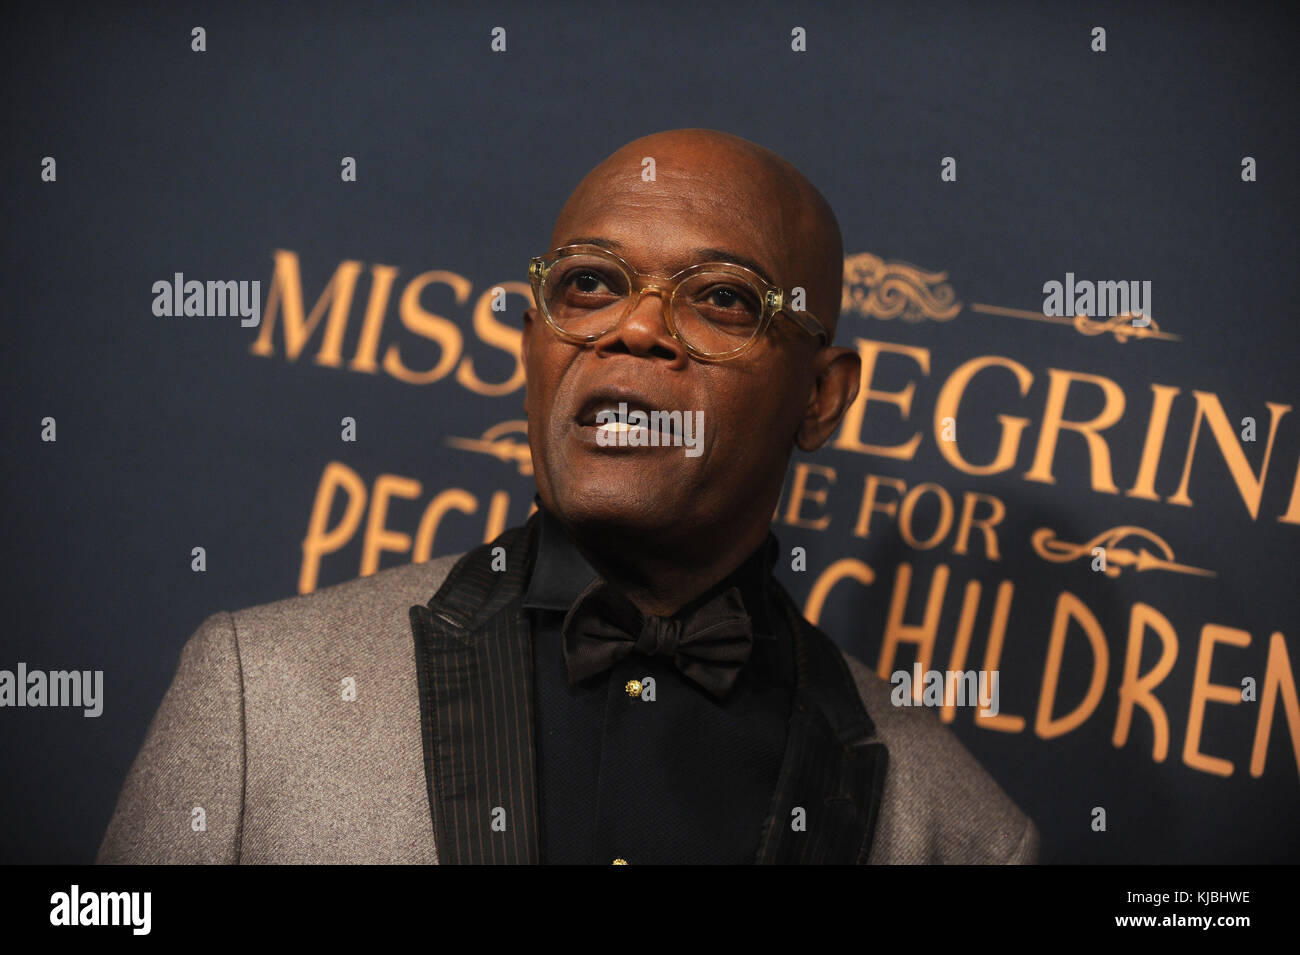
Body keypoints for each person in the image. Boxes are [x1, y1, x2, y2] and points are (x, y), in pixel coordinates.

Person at [98, 128, 1038, 865]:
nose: (634, 327)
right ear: (533, 342)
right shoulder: (258, 692)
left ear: (822, 397)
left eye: (719, 297)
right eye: (589, 283)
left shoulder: (961, 833)